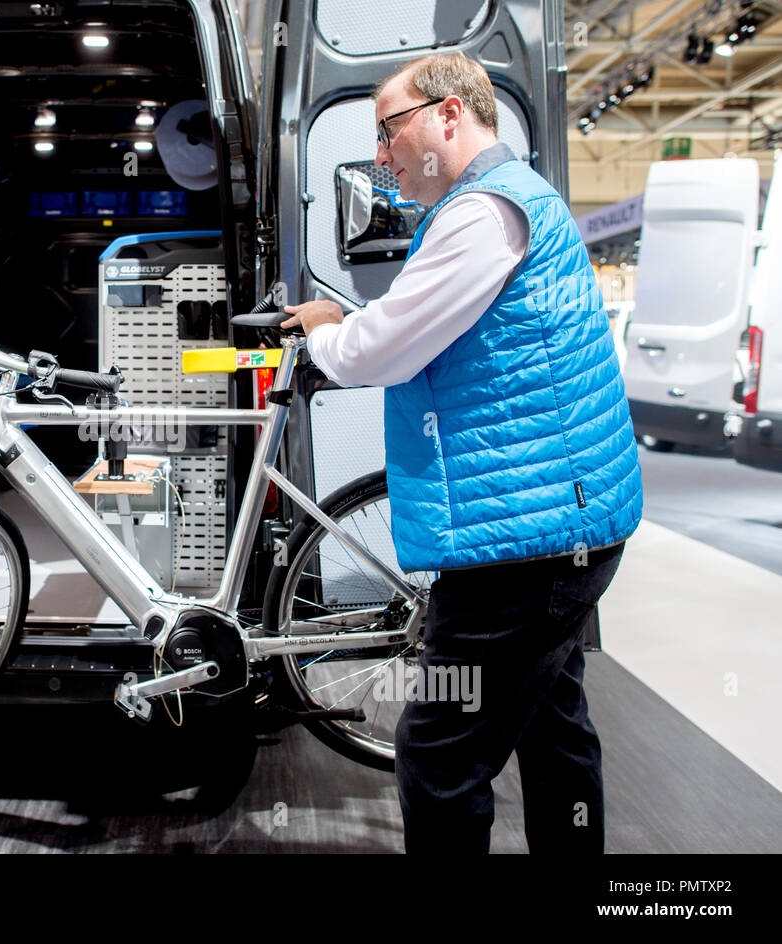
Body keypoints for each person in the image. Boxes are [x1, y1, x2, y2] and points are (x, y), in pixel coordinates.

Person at [280, 52, 643, 854]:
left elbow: (383, 352)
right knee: (554, 725)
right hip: (562, 521)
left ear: (449, 114)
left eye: (388, 129)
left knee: (441, 748)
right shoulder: (512, 203)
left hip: (523, 540)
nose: (381, 155)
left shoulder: (482, 212)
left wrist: (325, 336)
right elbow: (439, 326)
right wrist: (346, 322)